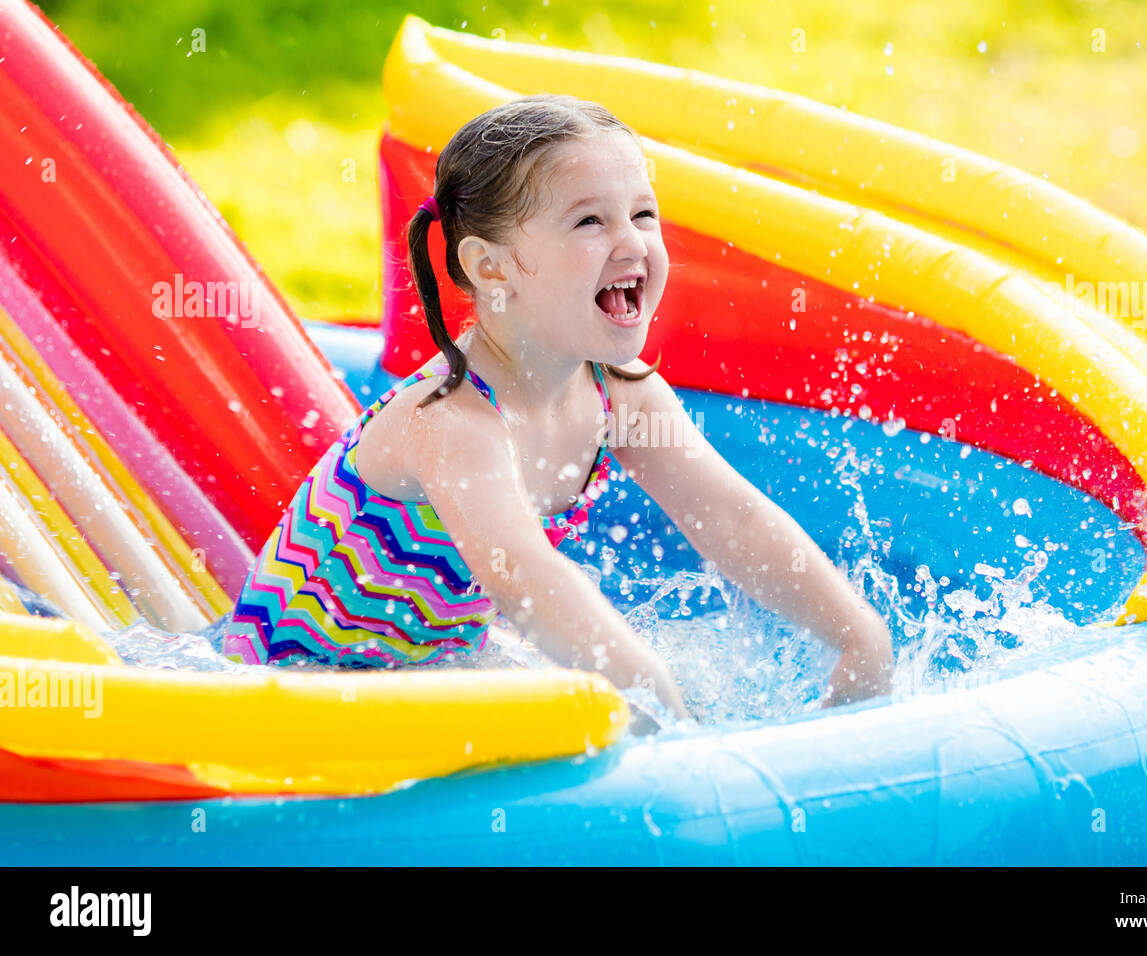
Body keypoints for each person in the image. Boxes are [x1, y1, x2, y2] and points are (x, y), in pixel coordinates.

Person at [223, 94, 893, 720]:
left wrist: (860, 638)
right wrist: (663, 708)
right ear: (492, 269)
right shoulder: (451, 418)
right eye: (590, 221)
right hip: (289, 702)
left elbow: (731, 515)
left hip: (415, 675)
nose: (631, 242)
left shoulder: (620, 392)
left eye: (643, 214)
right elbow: (525, 579)